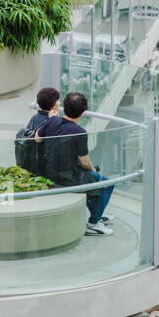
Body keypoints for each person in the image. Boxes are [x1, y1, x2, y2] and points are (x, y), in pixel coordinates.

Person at [36, 91, 114, 237]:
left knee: (94, 176)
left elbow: (37, 139)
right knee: (106, 183)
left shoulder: (52, 121)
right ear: (82, 112)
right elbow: (85, 162)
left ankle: (97, 213)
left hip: (49, 171)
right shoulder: (79, 132)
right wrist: (93, 170)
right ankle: (93, 223)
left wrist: (50, 122)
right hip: (67, 177)